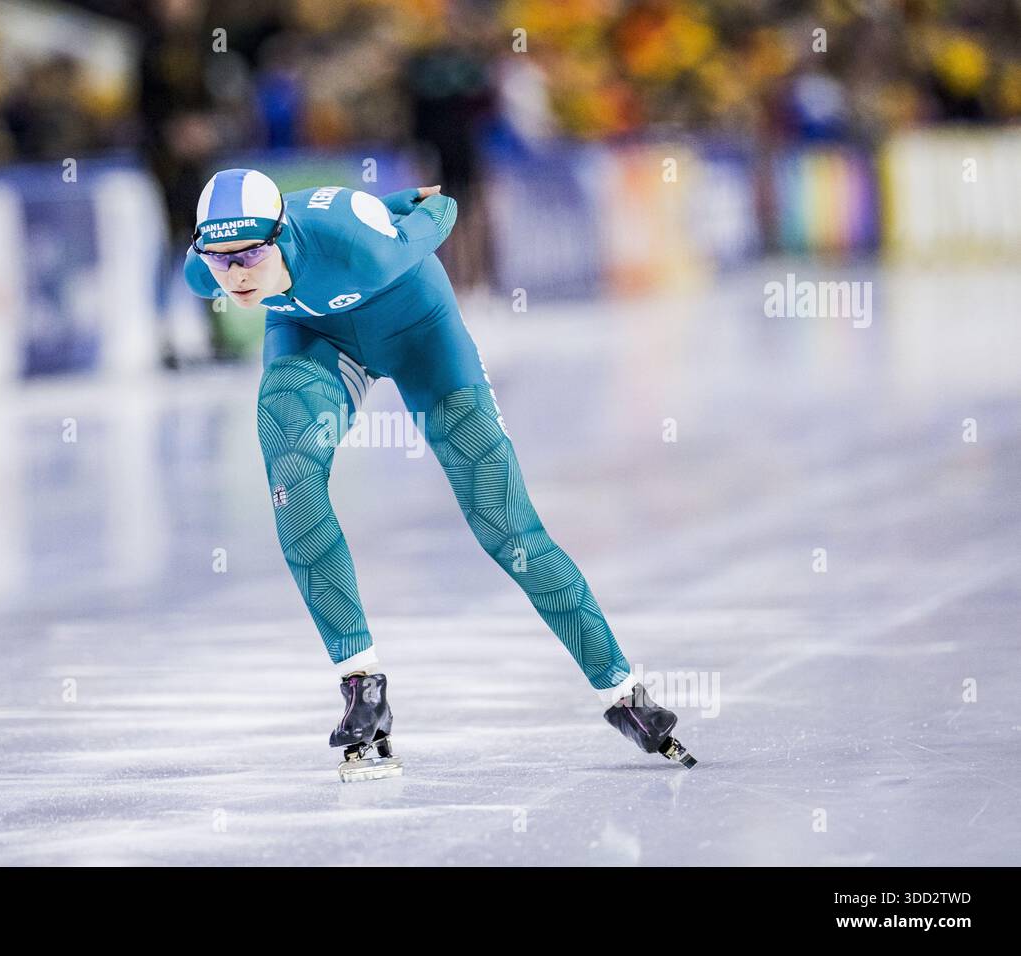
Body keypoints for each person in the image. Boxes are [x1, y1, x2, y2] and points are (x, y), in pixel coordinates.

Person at [183, 168, 696, 779]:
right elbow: (349, 216)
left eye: (251, 254)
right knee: (291, 478)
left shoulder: (363, 249)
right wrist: (388, 201)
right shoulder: (204, 272)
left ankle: (624, 695)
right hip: (315, 337)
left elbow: (441, 213)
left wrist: (417, 205)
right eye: (220, 259)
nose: (237, 274)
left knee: (504, 525)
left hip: (418, 328)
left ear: (281, 234)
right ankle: (361, 683)